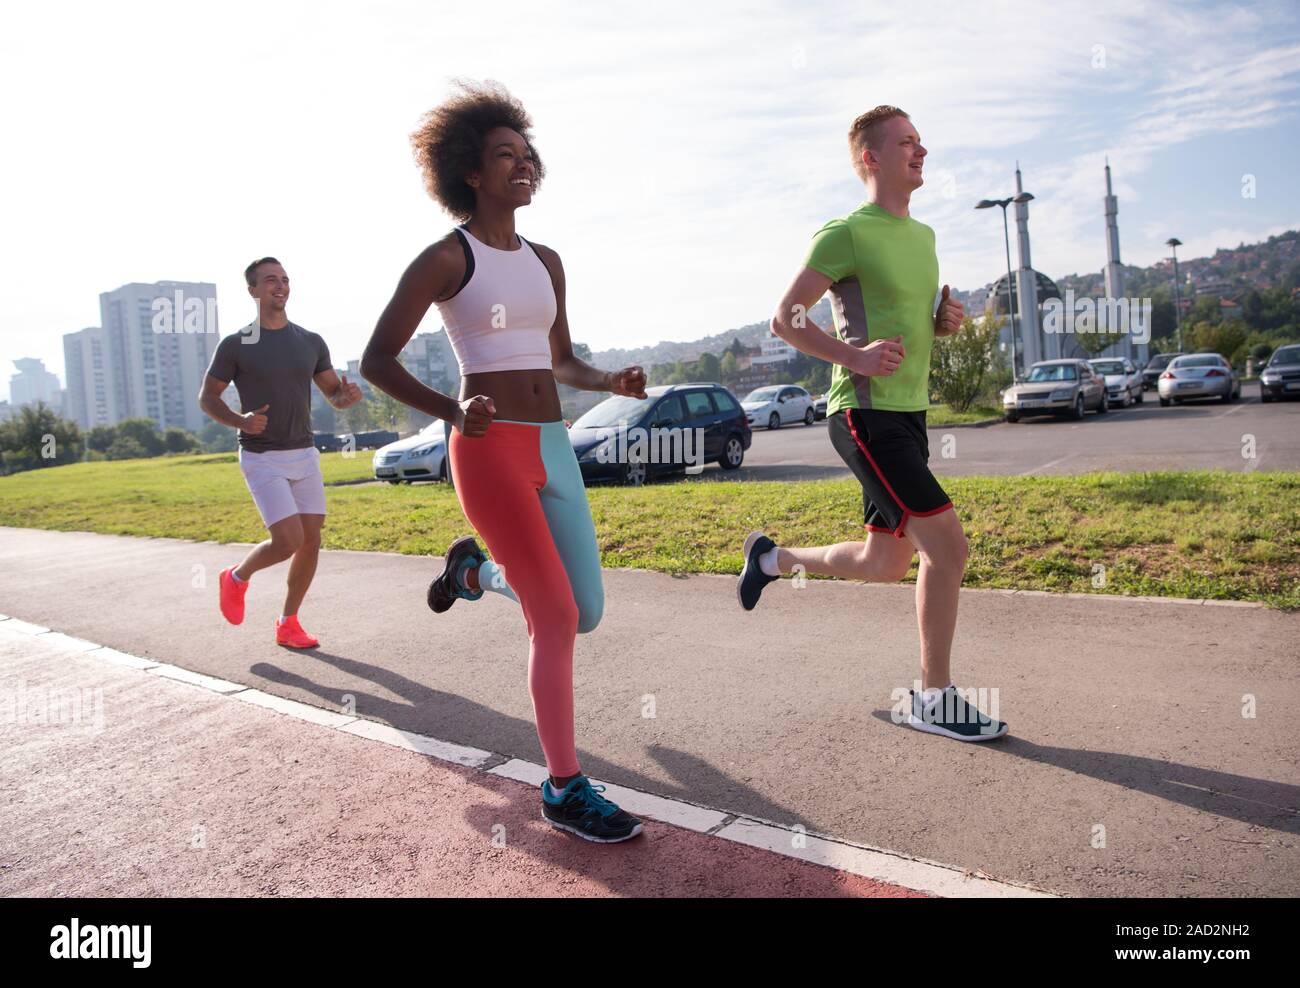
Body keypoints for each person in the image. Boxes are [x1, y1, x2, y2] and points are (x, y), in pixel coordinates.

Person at [360, 81, 648, 842]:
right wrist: (452, 409)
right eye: (503, 157)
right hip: (488, 451)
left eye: (526, 155)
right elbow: (376, 360)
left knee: (585, 611)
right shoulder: (444, 259)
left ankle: (473, 575)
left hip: (553, 445)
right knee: (551, 616)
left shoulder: (547, 261)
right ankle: (562, 787)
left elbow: (560, 361)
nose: (521, 167)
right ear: (470, 173)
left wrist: (608, 380)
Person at [736, 106, 1008, 741]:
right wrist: (853, 356)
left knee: (885, 562)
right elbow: (786, 318)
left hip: (907, 415)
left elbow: (910, 319)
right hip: (862, 414)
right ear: (871, 158)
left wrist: (942, 324)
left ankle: (771, 559)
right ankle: (934, 697)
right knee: (948, 549)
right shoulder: (846, 232)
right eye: (907, 141)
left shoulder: (926, 237)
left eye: (921, 141)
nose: (922, 150)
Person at [199, 257, 363, 648]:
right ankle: (236, 577)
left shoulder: (310, 342)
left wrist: (347, 397)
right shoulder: (237, 344)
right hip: (262, 456)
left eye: (285, 279)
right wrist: (240, 421)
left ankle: (288, 623)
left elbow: (334, 396)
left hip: (304, 452)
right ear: (253, 290)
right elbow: (208, 397)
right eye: (270, 280)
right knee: (287, 539)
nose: (281, 285)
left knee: (311, 539)